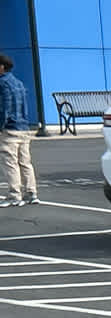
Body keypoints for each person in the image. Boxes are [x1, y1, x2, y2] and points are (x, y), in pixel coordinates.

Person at [0, 53, 39, 207]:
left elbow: (4, 108)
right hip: (23, 127)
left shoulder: (2, 84)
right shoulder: (18, 83)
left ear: (2, 67)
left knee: (10, 162)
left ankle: (14, 195)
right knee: (25, 162)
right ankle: (31, 193)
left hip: (9, 129)